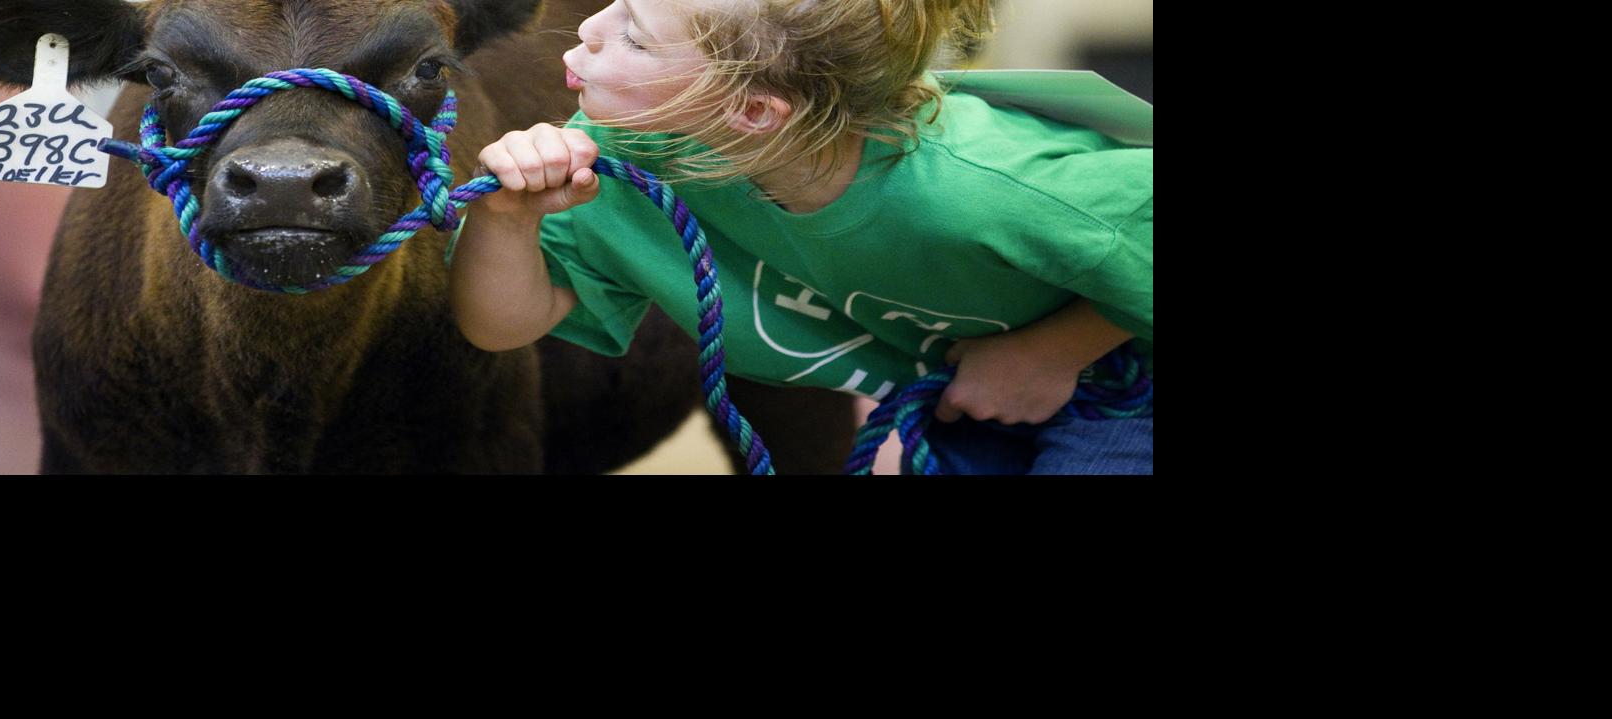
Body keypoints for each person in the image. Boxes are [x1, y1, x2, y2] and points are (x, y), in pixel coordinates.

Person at [449, 0, 1152, 474]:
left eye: (634, 34)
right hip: (967, 398)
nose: (591, 26)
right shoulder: (627, 164)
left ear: (753, 110)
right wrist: (507, 218)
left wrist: (1050, 350)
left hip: (1127, 377)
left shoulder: (980, 188)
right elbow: (502, 327)